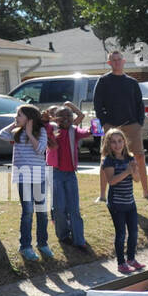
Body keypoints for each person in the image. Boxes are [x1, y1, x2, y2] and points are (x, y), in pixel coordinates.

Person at [93, 50, 148, 206]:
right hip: (111, 127)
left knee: (139, 157)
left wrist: (139, 123)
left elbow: (140, 105)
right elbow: (98, 105)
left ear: (124, 61)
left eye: (119, 59)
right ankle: (102, 195)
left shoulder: (132, 82)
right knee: (106, 159)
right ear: (109, 63)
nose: (116, 62)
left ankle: (146, 192)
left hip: (132, 125)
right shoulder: (103, 81)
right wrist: (105, 123)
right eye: (113, 60)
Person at [0, 105, 52, 261]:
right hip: (23, 178)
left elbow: (40, 150)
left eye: (19, 115)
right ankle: (25, 246)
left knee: (42, 211)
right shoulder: (16, 133)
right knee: (27, 211)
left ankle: (42, 243)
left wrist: (29, 132)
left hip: (39, 177)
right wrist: (16, 124)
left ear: (29, 118)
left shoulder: (40, 132)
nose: (16, 117)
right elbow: (1, 134)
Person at [46, 101, 89, 253]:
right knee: (59, 208)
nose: (65, 119)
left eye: (69, 116)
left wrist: (100, 119)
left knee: (74, 209)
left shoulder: (74, 130)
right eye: (61, 116)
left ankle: (79, 240)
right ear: (54, 118)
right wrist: (47, 118)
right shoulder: (51, 129)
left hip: (70, 175)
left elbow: (92, 132)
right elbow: (41, 124)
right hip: (56, 173)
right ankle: (63, 235)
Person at [101, 128, 142, 274]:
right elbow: (111, 181)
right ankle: (121, 263)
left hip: (130, 201)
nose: (117, 145)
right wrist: (127, 172)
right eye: (113, 142)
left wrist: (135, 170)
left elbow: (137, 180)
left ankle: (131, 259)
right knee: (121, 234)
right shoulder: (108, 160)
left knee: (134, 232)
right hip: (116, 203)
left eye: (120, 141)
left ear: (124, 141)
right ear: (108, 144)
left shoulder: (130, 158)